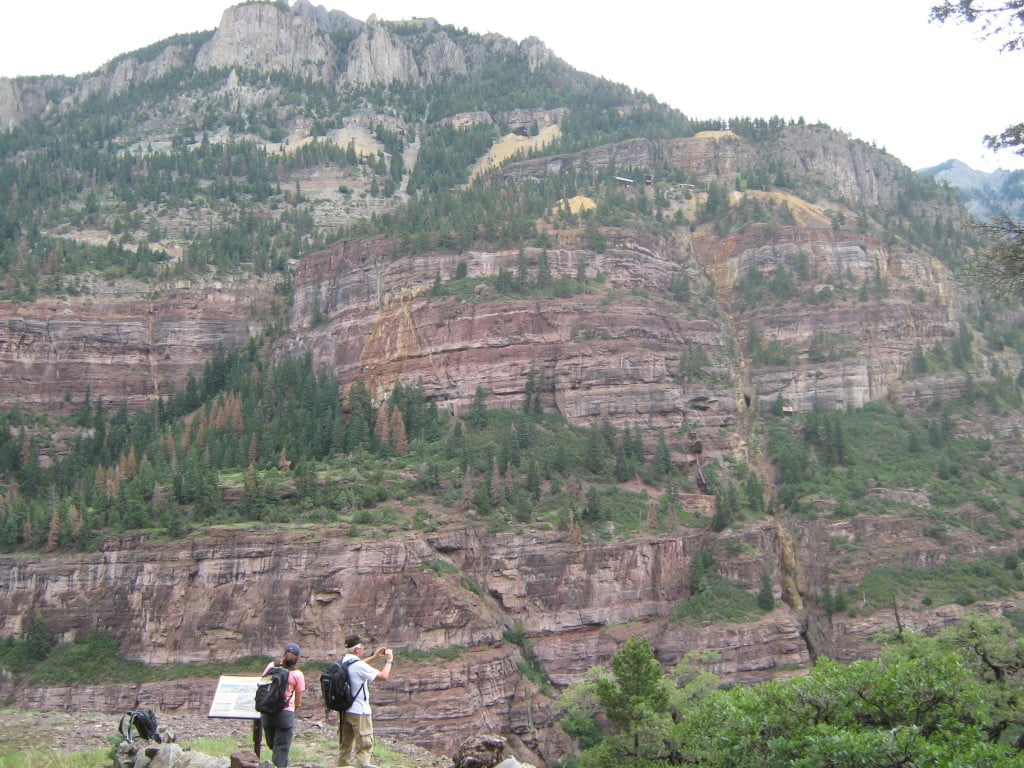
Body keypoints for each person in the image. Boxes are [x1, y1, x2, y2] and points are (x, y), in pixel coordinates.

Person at [337, 634, 393, 768]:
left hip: (345, 711)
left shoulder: (343, 661)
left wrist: (374, 657)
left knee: (344, 748)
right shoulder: (359, 666)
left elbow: (358, 665)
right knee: (363, 747)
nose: (363, 649)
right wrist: (389, 661)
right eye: (362, 647)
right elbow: (383, 676)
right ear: (357, 649)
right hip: (360, 712)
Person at [261, 642, 306, 768]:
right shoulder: (298, 675)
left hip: (267, 711)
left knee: (273, 745)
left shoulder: (271, 666)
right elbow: (298, 700)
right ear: (298, 658)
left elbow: (262, 684)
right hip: (285, 713)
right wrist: (293, 708)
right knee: (281, 748)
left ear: (284, 654)